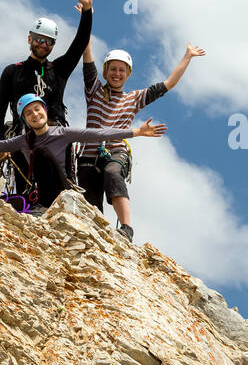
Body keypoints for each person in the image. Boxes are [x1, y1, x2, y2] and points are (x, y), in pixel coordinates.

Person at [78, 40, 205, 242]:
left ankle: (127, 228)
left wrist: (187, 56)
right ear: (105, 71)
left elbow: (169, 84)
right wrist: (87, 18)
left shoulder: (134, 98)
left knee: (112, 174)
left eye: (121, 70)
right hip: (88, 154)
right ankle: (94, 235)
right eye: (112, 69)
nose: (116, 74)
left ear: (128, 75)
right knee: (89, 198)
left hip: (115, 151)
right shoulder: (94, 90)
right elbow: (87, 55)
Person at [0, 94, 167, 214]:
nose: (35, 115)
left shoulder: (63, 133)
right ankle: (39, 206)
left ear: (44, 111)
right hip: (43, 194)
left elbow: (98, 134)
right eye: (29, 113)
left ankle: (43, 206)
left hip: (64, 190)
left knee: (41, 152)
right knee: (36, 151)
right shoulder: (23, 141)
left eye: (37, 109)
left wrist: (136, 132)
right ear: (25, 120)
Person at [0, 0, 95, 193]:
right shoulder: (13, 71)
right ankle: (24, 197)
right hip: (22, 133)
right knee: (23, 169)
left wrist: (87, 11)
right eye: (39, 39)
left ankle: (67, 188)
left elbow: (80, 43)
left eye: (48, 41)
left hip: (55, 131)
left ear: (53, 45)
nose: (43, 45)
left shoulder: (59, 69)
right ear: (30, 38)